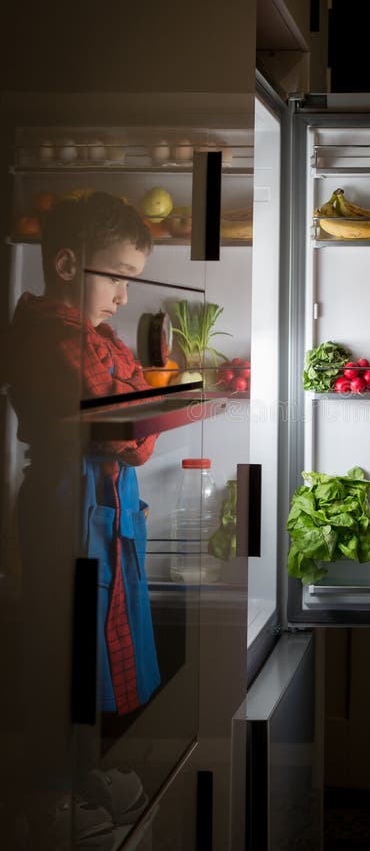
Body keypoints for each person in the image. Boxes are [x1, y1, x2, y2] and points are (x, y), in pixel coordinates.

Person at [4, 191, 160, 845]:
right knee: (58, 649)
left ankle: (80, 771)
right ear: (69, 264)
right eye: (118, 276)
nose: (125, 296)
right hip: (65, 503)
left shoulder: (94, 339)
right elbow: (125, 421)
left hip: (97, 502)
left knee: (90, 643)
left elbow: (139, 418)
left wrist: (134, 422)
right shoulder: (43, 335)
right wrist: (134, 423)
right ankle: (48, 798)